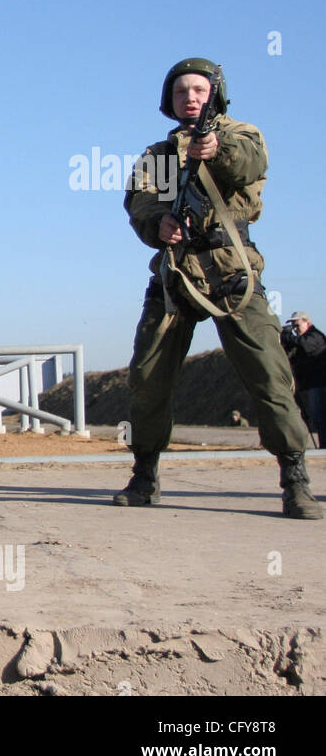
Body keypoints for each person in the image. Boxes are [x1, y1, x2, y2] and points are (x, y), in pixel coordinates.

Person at [117, 58, 320, 519]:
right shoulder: (158, 155)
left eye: (199, 89)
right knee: (147, 380)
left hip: (232, 274)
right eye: (180, 91)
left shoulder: (241, 134)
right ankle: (145, 475)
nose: (189, 97)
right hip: (175, 275)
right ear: (169, 102)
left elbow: (250, 165)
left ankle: (294, 478)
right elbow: (139, 200)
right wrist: (157, 224)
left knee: (269, 375)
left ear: (216, 94)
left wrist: (216, 147)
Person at [281, 310, 326, 447]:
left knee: (321, 417)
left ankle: (324, 447)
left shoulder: (315, 337)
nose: (295, 329)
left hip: (319, 384)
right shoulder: (302, 339)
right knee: (316, 418)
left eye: (297, 325)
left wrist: (287, 335)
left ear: (308, 323)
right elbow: (292, 352)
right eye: (293, 326)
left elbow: (302, 344)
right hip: (309, 384)